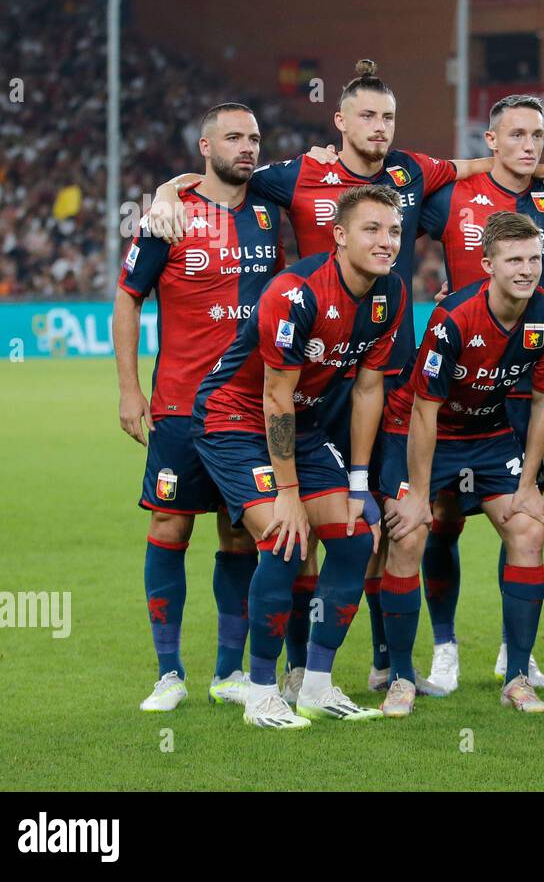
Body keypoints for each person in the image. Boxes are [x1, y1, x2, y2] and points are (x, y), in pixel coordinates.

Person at [148, 62, 544, 701]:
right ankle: (289, 670)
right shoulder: (299, 177)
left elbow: (484, 168)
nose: (379, 129)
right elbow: (226, 176)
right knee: (308, 535)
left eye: (388, 118)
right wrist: (166, 190)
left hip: (387, 375)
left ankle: (385, 666)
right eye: (368, 117)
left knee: (377, 523)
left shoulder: (410, 174)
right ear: (340, 122)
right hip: (307, 379)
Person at [191, 185, 405, 728]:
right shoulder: (295, 292)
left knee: (359, 539)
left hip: (303, 427)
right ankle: (262, 690)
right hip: (236, 418)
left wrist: (359, 482)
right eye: (372, 230)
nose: (387, 242)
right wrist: (288, 496)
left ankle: (314, 684)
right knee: (285, 540)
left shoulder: (391, 294)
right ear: (339, 237)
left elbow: (367, 390)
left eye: (395, 231)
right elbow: (273, 396)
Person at [115, 103, 283, 712]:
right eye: (233, 137)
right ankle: (168, 672)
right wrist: (130, 390)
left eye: (255, 137)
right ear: (205, 148)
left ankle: (228, 672)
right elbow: (129, 298)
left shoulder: (268, 213)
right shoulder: (168, 215)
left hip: (247, 407)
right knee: (170, 525)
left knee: (240, 535)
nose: (247, 146)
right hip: (181, 406)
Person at [378, 212, 544, 715]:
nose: (527, 269)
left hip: (489, 433)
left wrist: (529, 485)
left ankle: (517, 678)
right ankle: (400, 677)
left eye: (534, 258)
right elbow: (424, 409)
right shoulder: (454, 318)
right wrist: (419, 495)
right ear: (487, 264)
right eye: (514, 260)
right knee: (410, 533)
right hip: (423, 430)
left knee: (528, 529)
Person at [412, 93, 544, 693]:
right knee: (442, 522)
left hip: (523, 384)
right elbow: (388, 217)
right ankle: (444, 646)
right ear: (492, 140)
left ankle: (515, 646)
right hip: (458, 372)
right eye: (518, 134)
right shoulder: (451, 197)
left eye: (538, 136)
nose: (530, 146)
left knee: (523, 518)